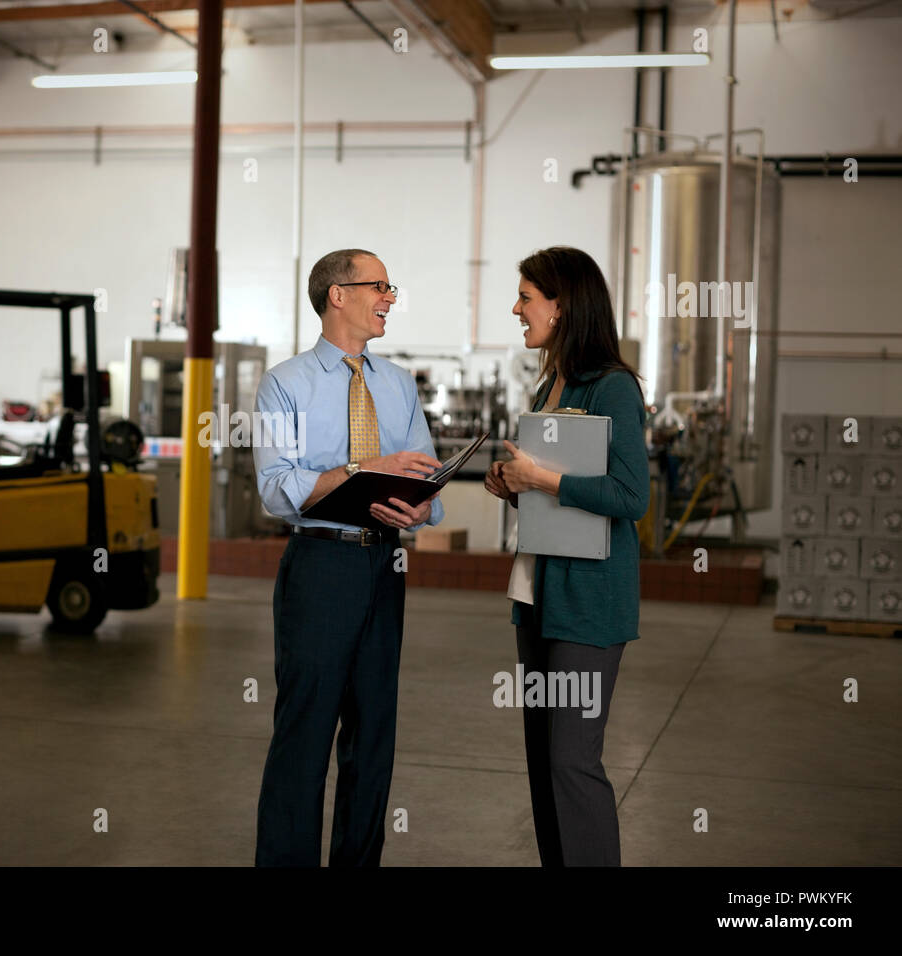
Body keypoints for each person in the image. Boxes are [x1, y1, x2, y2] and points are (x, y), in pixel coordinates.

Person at [253, 248, 444, 867]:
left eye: (391, 286)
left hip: (385, 567)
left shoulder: (396, 383)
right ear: (338, 294)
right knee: (305, 735)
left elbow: (423, 473)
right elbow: (278, 489)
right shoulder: (285, 383)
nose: (390, 297)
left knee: (374, 739)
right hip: (320, 566)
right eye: (379, 286)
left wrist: (419, 507)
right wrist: (363, 469)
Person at [484, 246, 649, 867]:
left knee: (571, 760)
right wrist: (516, 486)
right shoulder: (551, 382)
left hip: (589, 603)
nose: (517, 308)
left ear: (563, 305)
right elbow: (556, 488)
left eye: (526, 296)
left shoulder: (613, 387)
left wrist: (543, 481)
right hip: (538, 596)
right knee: (542, 760)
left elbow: (631, 496)